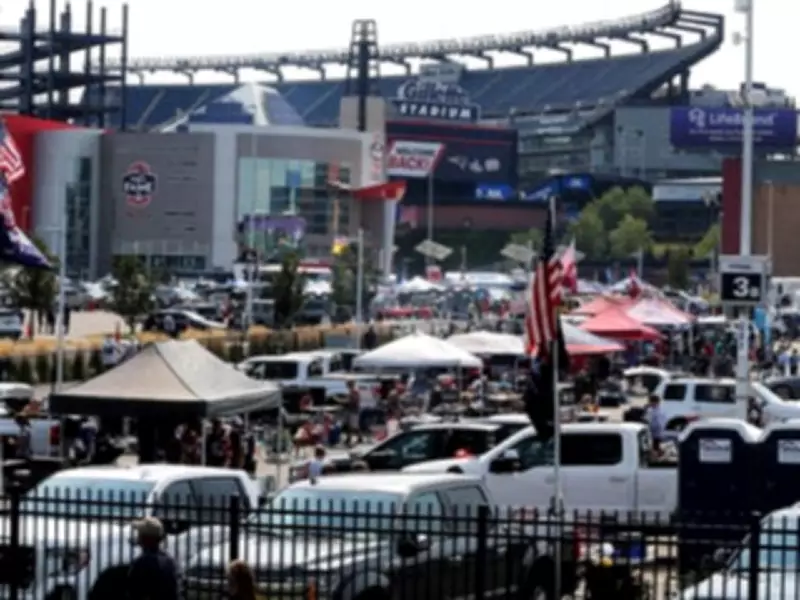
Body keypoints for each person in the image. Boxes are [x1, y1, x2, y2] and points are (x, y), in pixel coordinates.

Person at [127, 517, 181, 600]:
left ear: (145, 538)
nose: (138, 536)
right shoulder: (170, 561)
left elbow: (135, 593)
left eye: (140, 533)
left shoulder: (141, 563)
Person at [344, 380, 362, 446]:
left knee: (353, 425)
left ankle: (351, 438)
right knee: (352, 425)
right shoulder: (351, 391)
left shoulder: (354, 391)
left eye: (347, 384)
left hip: (354, 410)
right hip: (352, 409)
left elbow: (354, 400)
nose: (346, 385)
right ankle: (350, 438)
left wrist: (347, 402)